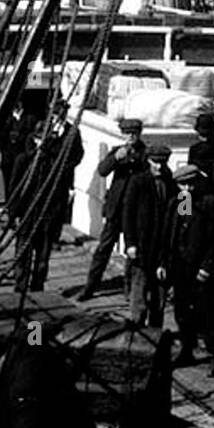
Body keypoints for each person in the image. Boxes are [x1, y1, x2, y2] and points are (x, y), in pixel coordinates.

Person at [10, 99, 85, 293]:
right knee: (23, 253)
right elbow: (16, 189)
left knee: (43, 256)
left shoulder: (69, 136)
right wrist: (13, 215)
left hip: (47, 210)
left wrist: (62, 168)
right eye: (37, 140)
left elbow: (76, 156)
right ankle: (20, 285)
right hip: (28, 212)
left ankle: (38, 287)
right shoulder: (24, 161)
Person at [165, 163, 214, 377]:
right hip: (182, 268)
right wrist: (166, 265)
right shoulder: (180, 203)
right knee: (182, 313)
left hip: (202, 269)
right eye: (183, 185)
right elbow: (176, 235)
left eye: (191, 184)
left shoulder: (209, 203)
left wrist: (207, 267)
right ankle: (187, 350)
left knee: (208, 314)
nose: (188, 189)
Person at [79, 117, 146, 300]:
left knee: (131, 250)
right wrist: (116, 158)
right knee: (103, 248)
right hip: (116, 209)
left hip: (134, 211)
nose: (131, 137)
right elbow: (102, 170)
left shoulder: (145, 154)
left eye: (134, 133)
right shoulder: (118, 151)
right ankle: (90, 287)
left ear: (139, 134)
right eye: (127, 133)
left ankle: (129, 288)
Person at [122, 142, 176, 327]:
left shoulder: (171, 182)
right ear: (149, 161)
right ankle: (135, 332)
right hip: (142, 247)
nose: (159, 166)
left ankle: (155, 335)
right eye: (155, 162)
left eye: (162, 162)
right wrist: (130, 243)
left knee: (158, 299)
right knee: (139, 296)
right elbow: (127, 214)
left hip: (163, 249)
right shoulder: (138, 181)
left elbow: (182, 213)